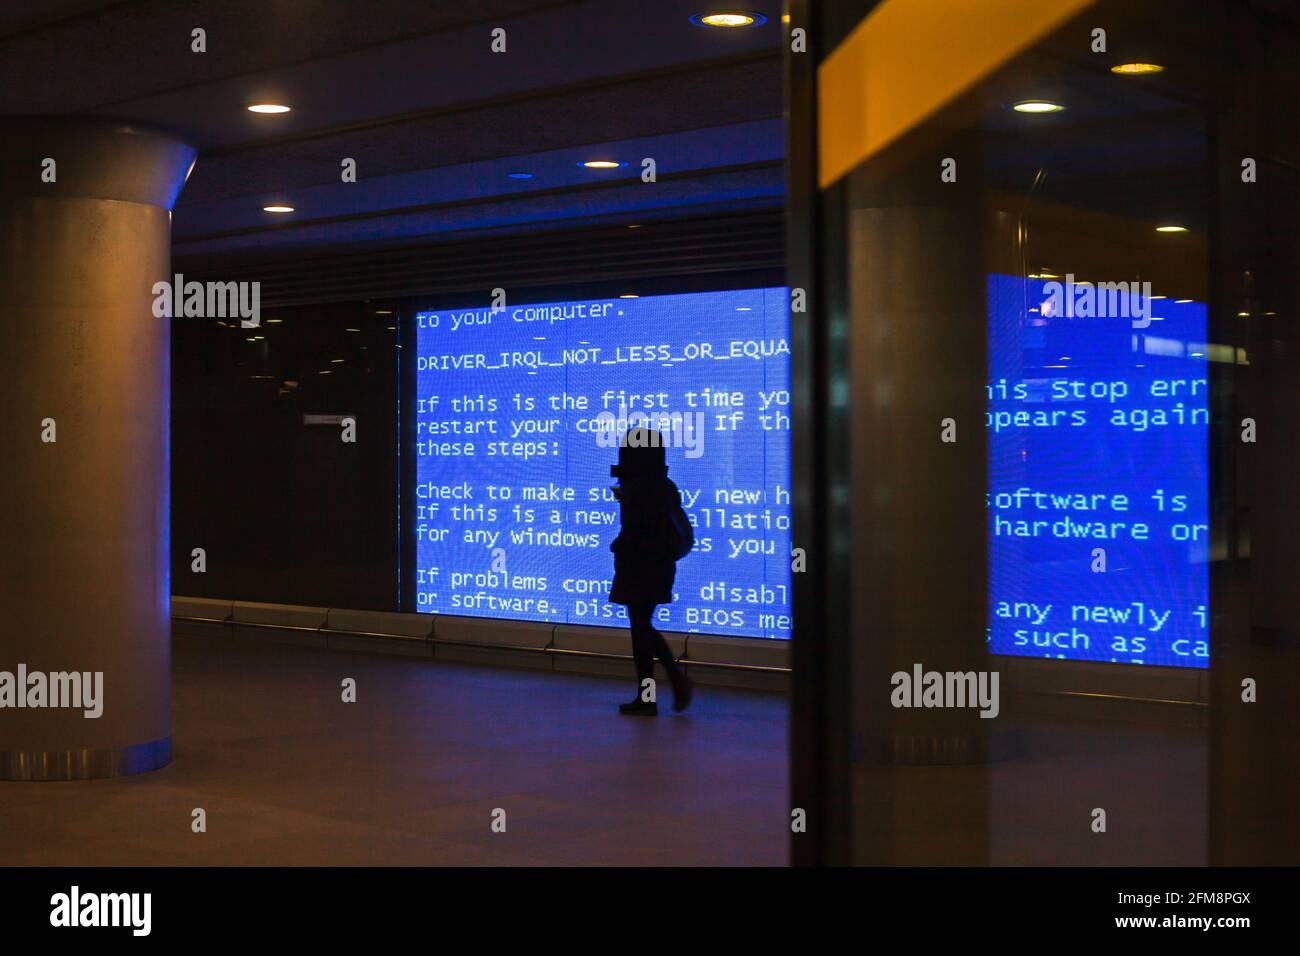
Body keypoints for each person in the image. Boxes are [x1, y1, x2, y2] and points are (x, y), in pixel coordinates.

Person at [607, 428, 693, 716]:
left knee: (641, 629)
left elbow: (634, 532)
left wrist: (617, 544)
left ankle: (659, 688)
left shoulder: (635, 488)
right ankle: (655, 692)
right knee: (642, 627)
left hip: (637, 568)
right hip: (659, 567)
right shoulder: (665, 485)